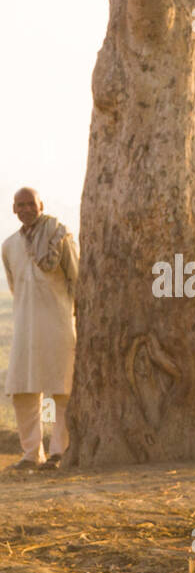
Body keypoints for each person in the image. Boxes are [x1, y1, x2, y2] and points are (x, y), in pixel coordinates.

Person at [3, 188, 77, 471]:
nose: (25, 209)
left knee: (62, 390)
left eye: (30, 204)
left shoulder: (60, 236)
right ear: (13, 209)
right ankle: (32, 454)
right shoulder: (8, 245)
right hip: (25, 326)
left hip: (58, 323)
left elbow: (76, 278)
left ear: (41, 205)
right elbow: (15, 286)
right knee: (23, 391)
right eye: (20, 205)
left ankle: (59, 452)